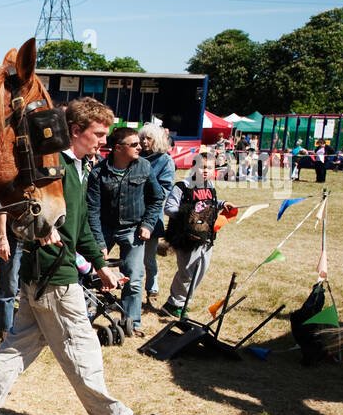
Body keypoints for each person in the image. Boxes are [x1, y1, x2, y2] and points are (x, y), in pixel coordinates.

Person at [0, 97, 158, 415]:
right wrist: (39, 231)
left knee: (19, 344)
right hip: (53, 276)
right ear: (76, 131)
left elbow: (79, 228)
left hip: (47, 276)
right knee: (82, 347)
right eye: (97, 134)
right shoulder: (55, 168)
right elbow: (18, 207)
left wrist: (100, 266)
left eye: (106, 135)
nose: (103, 141)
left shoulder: (79, 168)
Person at [85, 125, 165, 337]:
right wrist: (99, 243)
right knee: (88, 274)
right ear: (118, 148)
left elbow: (157, 198)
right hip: (104, 228)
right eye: (134, 144)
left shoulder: (144, 167)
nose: (140, 147)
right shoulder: (97, 173)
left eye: (139, 143)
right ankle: (84, 317)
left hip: (133, 229)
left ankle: (132, 323)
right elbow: (92, 210)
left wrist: (147, 224)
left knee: (134, 277)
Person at [160, 155, 235, 320]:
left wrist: (222, 204)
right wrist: (189, 216)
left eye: (210, 167)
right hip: (186, 237)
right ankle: (173, 304)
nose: (206, 171)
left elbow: (210, 203)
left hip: (206, 236)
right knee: (186, 272)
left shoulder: (210, 185)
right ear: (194, 167)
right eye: (203, 167)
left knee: (201, 270)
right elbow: (169, 208)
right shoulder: (183, 186)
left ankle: (184, 302)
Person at [138, 124, 175, 309]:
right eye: (142, 138)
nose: (144, 142)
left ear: (157, 140)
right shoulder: (135, 156)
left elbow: (164, 190)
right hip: (132, 215)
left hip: (152, 217)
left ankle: (152, 292)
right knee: (130, 259)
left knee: (149, 259)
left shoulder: (165, 160)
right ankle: (131, 292)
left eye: (149, 138)